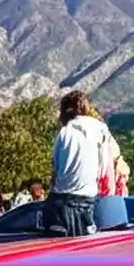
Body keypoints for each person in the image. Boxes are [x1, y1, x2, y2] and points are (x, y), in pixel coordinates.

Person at [46, 90, 114, 238]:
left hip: (61, 201)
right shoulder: (101, 129)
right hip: (87, 198)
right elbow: (103, 170)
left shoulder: (64, 133)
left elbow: (56, 172)